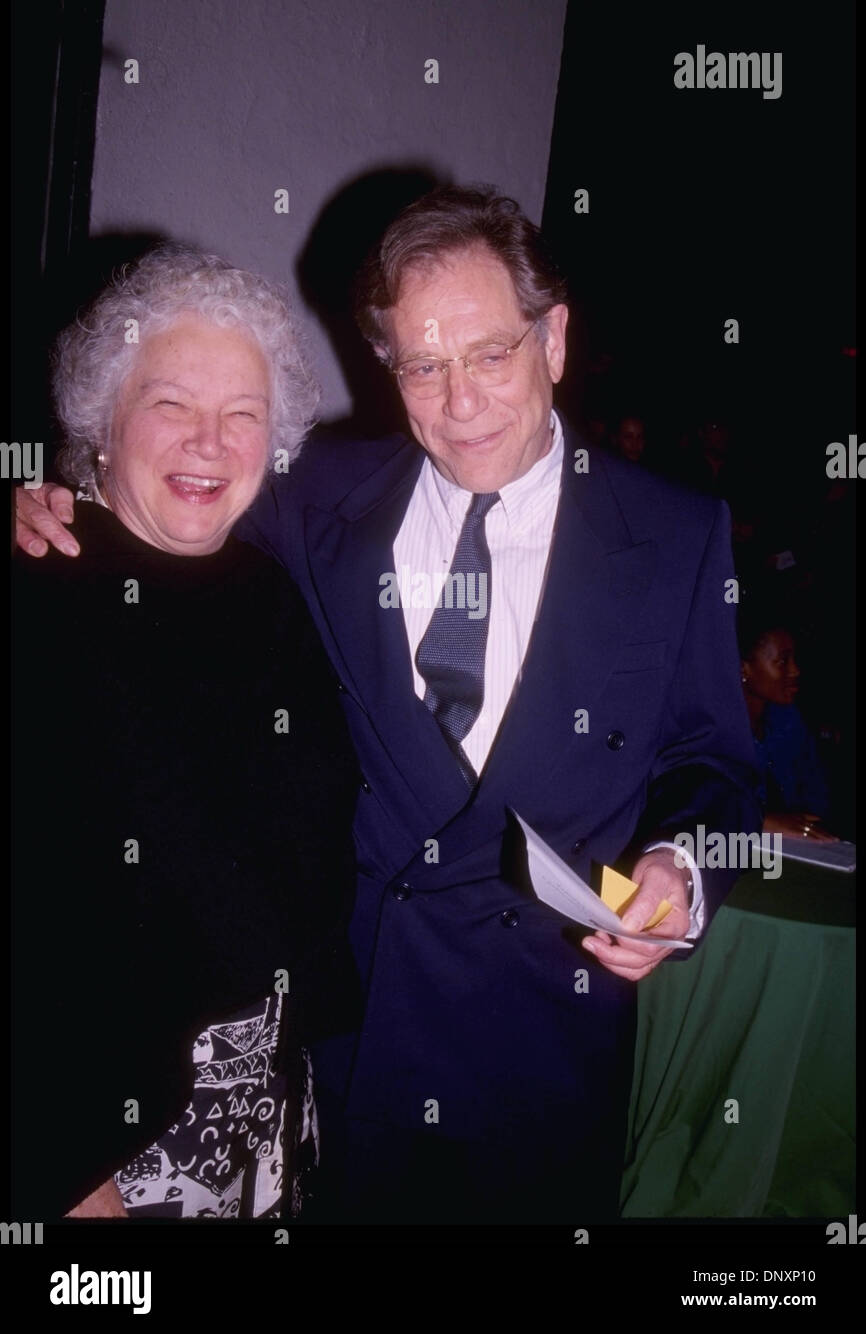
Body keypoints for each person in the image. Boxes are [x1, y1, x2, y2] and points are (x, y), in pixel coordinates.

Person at [17, 186, 761, 1225]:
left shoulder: (675, 536)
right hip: (337, 1072)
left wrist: (681, 869)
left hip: (539, 1073)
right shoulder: (314, 496)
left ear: (551, 339)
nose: (459, 401)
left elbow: (719, 768)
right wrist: (46, 495)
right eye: (422, 363)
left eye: (489, 355)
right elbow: (158, 489)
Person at [12, 246, 360, 1220]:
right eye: (170, 403)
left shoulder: (269, 596)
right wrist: (63, 1175)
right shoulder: (39, 590)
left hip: (267, 1121)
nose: (209, 442)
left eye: (242, 413)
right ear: (102, 419)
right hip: (103, 1145)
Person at [737, 609, 836, 842]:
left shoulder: (787, 719)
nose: (795, 670)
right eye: (782, 661)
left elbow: (816, 798)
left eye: (794, 659)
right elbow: (697, 807)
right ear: (743, 669)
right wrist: (761, 820)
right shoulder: (711, 730)